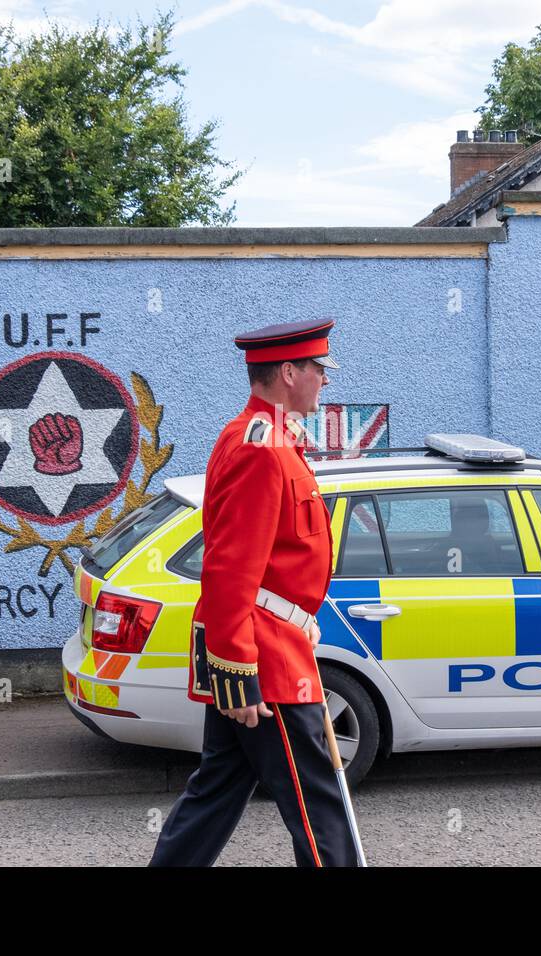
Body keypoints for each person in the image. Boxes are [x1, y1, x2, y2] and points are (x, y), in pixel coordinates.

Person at [150, 319, 359, 867]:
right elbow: (230, 567)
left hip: (268, 644)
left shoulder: (263, 438)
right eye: (318, 369)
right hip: (264, 660)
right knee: (318, 810)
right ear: (289, 372)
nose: (324, 381)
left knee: (215, 794)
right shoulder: (261, 449)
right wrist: (239, 671)